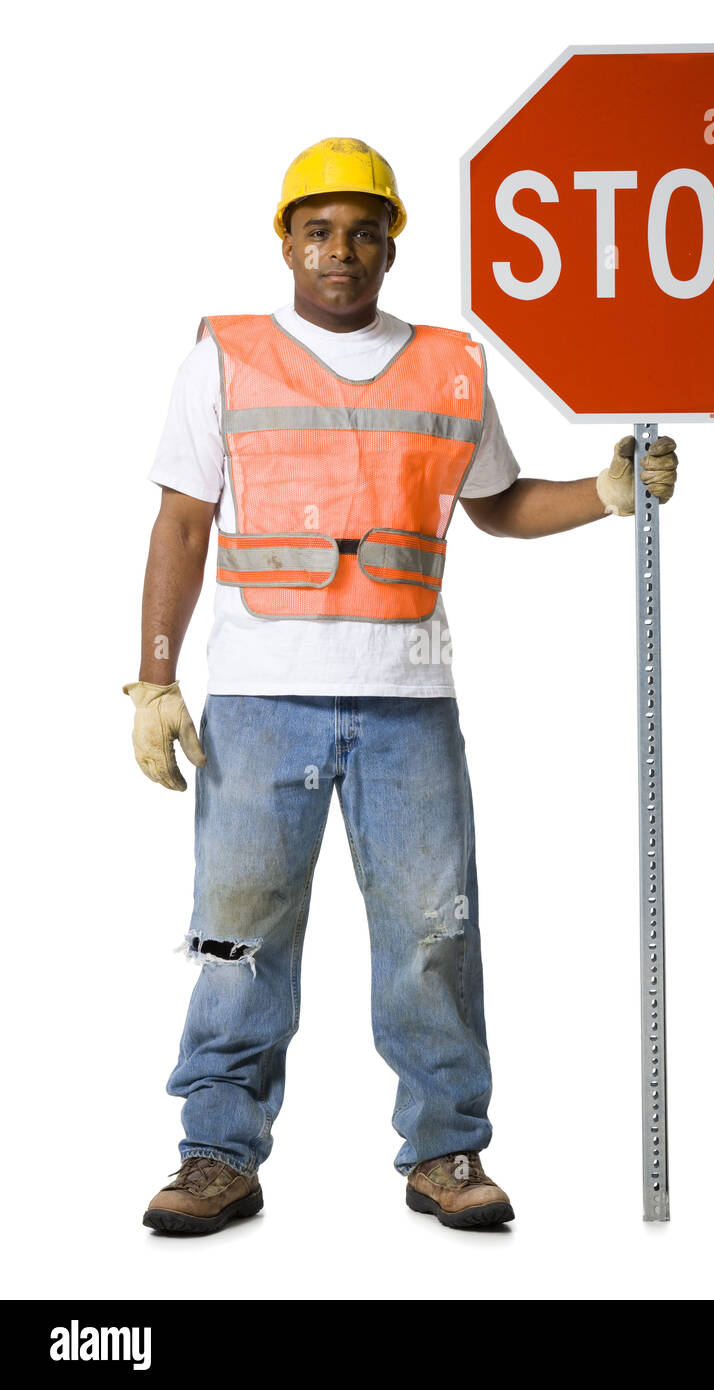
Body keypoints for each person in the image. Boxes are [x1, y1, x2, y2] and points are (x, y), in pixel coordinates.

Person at [124, 137, 678, 1236]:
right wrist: (151, 680)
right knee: (237, 936)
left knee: (433, 934)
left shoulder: (449, 365)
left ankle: (445, 1150)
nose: (341, 251)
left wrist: (609, 491)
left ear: (393, 243)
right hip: (258, 701)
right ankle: (215, 1155)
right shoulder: (224, 358)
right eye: (318, 230)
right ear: (283, 240)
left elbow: (500, 503)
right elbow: (182, 519)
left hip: (408, 701)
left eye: (363, 231)